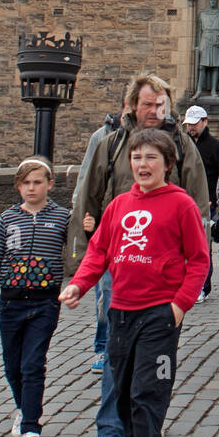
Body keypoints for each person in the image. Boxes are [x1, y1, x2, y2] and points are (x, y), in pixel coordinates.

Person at [61, 129, 209, 437]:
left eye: (150, 158)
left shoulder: (181, 205)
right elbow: (99, 252)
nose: (142, 165)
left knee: (149, 393)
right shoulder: (118, 206)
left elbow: (198, 260)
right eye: (137, 158)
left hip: (159, 316)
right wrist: (79, 284)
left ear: (167, 164)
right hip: (120, 313)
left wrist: (179, 306)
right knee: (124, 393)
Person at [0, 157, 70, 437]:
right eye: (26, 183)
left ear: (49, 185)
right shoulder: (7, 219)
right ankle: (23, 407)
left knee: (33, 365)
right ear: (18, 186)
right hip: (12, 303)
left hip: (44, 302)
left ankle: (31, 428)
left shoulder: (61, 217)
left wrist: (89, 229)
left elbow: (80, 251)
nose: (32, 188)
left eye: (38, 182)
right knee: (12, 366)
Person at [71, 87, 127, 374]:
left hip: (136, 229)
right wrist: (83, 214)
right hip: (106, 226)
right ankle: (103, 348)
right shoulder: (103, 137)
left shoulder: (151, 139)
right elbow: (86, 178)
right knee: (105, 293)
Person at [183, 104, 219, 301]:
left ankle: (202, 286)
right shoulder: (182, 145)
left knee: (203, 246)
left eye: (195, 124)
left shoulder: (216, 147)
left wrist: (216, 201)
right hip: (184, 201)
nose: (191, 128)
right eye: (189, 124)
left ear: (205, 122)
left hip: (206, 202)